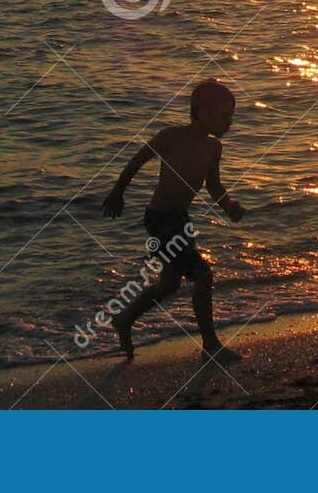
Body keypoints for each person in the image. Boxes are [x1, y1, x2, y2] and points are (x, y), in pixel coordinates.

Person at [101, 79, 245, 363]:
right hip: (159, 219)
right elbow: (136, 162)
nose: (229, 123)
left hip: (180, 219)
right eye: (223, 116)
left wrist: (228, 206)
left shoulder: (213, 148)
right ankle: (211, 346)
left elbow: (213, 185)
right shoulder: (171, 137)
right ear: (201, 112)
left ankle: (125, 319)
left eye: (231, 117)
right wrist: (117, 194)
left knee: (169, 284)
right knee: (202, 276)